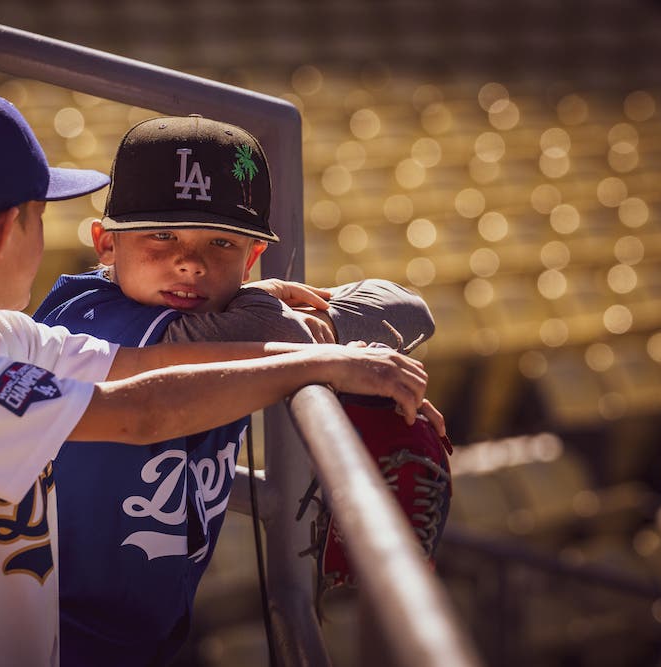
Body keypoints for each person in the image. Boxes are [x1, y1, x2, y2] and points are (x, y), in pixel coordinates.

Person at [0, 92, 438, 667]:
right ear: (5, 231)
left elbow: (138, 368)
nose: (188, 261)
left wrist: (313, 349)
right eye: (41, 215)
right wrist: (321, 363)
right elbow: (142, 411)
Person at [32, 114, 443, 667]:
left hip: (140, 637)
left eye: (221, 242)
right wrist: (305, 336)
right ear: (106, 245)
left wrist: (279, 317)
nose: (191, 262)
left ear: (252, 257)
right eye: (161, 234)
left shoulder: (217, 314)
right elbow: (273, 332)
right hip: (44, 635)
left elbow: (409, 311)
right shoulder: (84, 317)